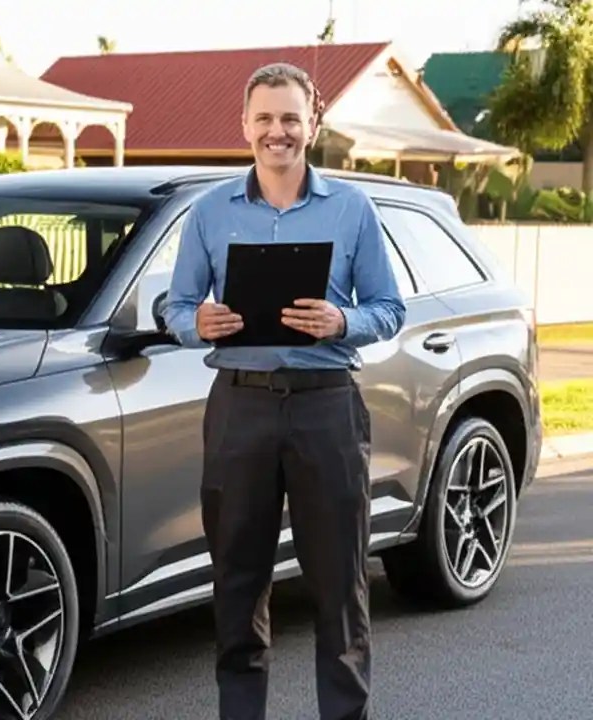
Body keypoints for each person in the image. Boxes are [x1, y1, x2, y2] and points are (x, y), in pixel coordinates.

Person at [160, 62, 407, 720]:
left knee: (340, 588)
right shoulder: (208, 213)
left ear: (312, 125)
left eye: (290, 118)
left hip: (326, 405)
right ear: (245, 126)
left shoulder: (353, 208)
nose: (278, 131)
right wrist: (195, 323)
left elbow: (389, 307)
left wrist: (342, 320)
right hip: (238, 408)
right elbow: (175, 305)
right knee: (238, 586)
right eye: (265, 118)